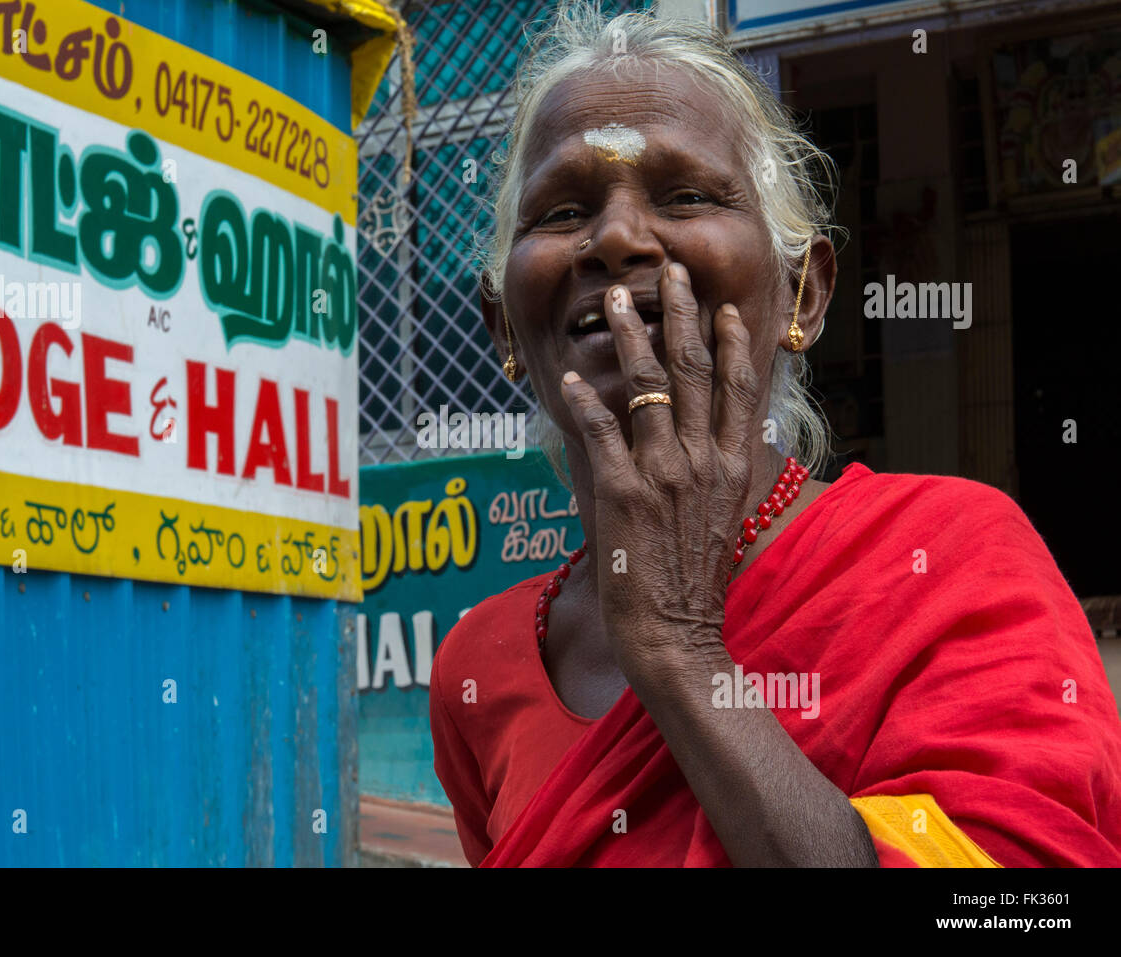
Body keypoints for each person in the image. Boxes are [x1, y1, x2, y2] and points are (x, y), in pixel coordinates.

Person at [427, 1, 1121, 867]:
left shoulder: (953, 560)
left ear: (804, 295)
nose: (615, 238)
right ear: (501, 328)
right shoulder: (479, 664)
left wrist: (680, 651)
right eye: (561, 211)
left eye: (685, 194)